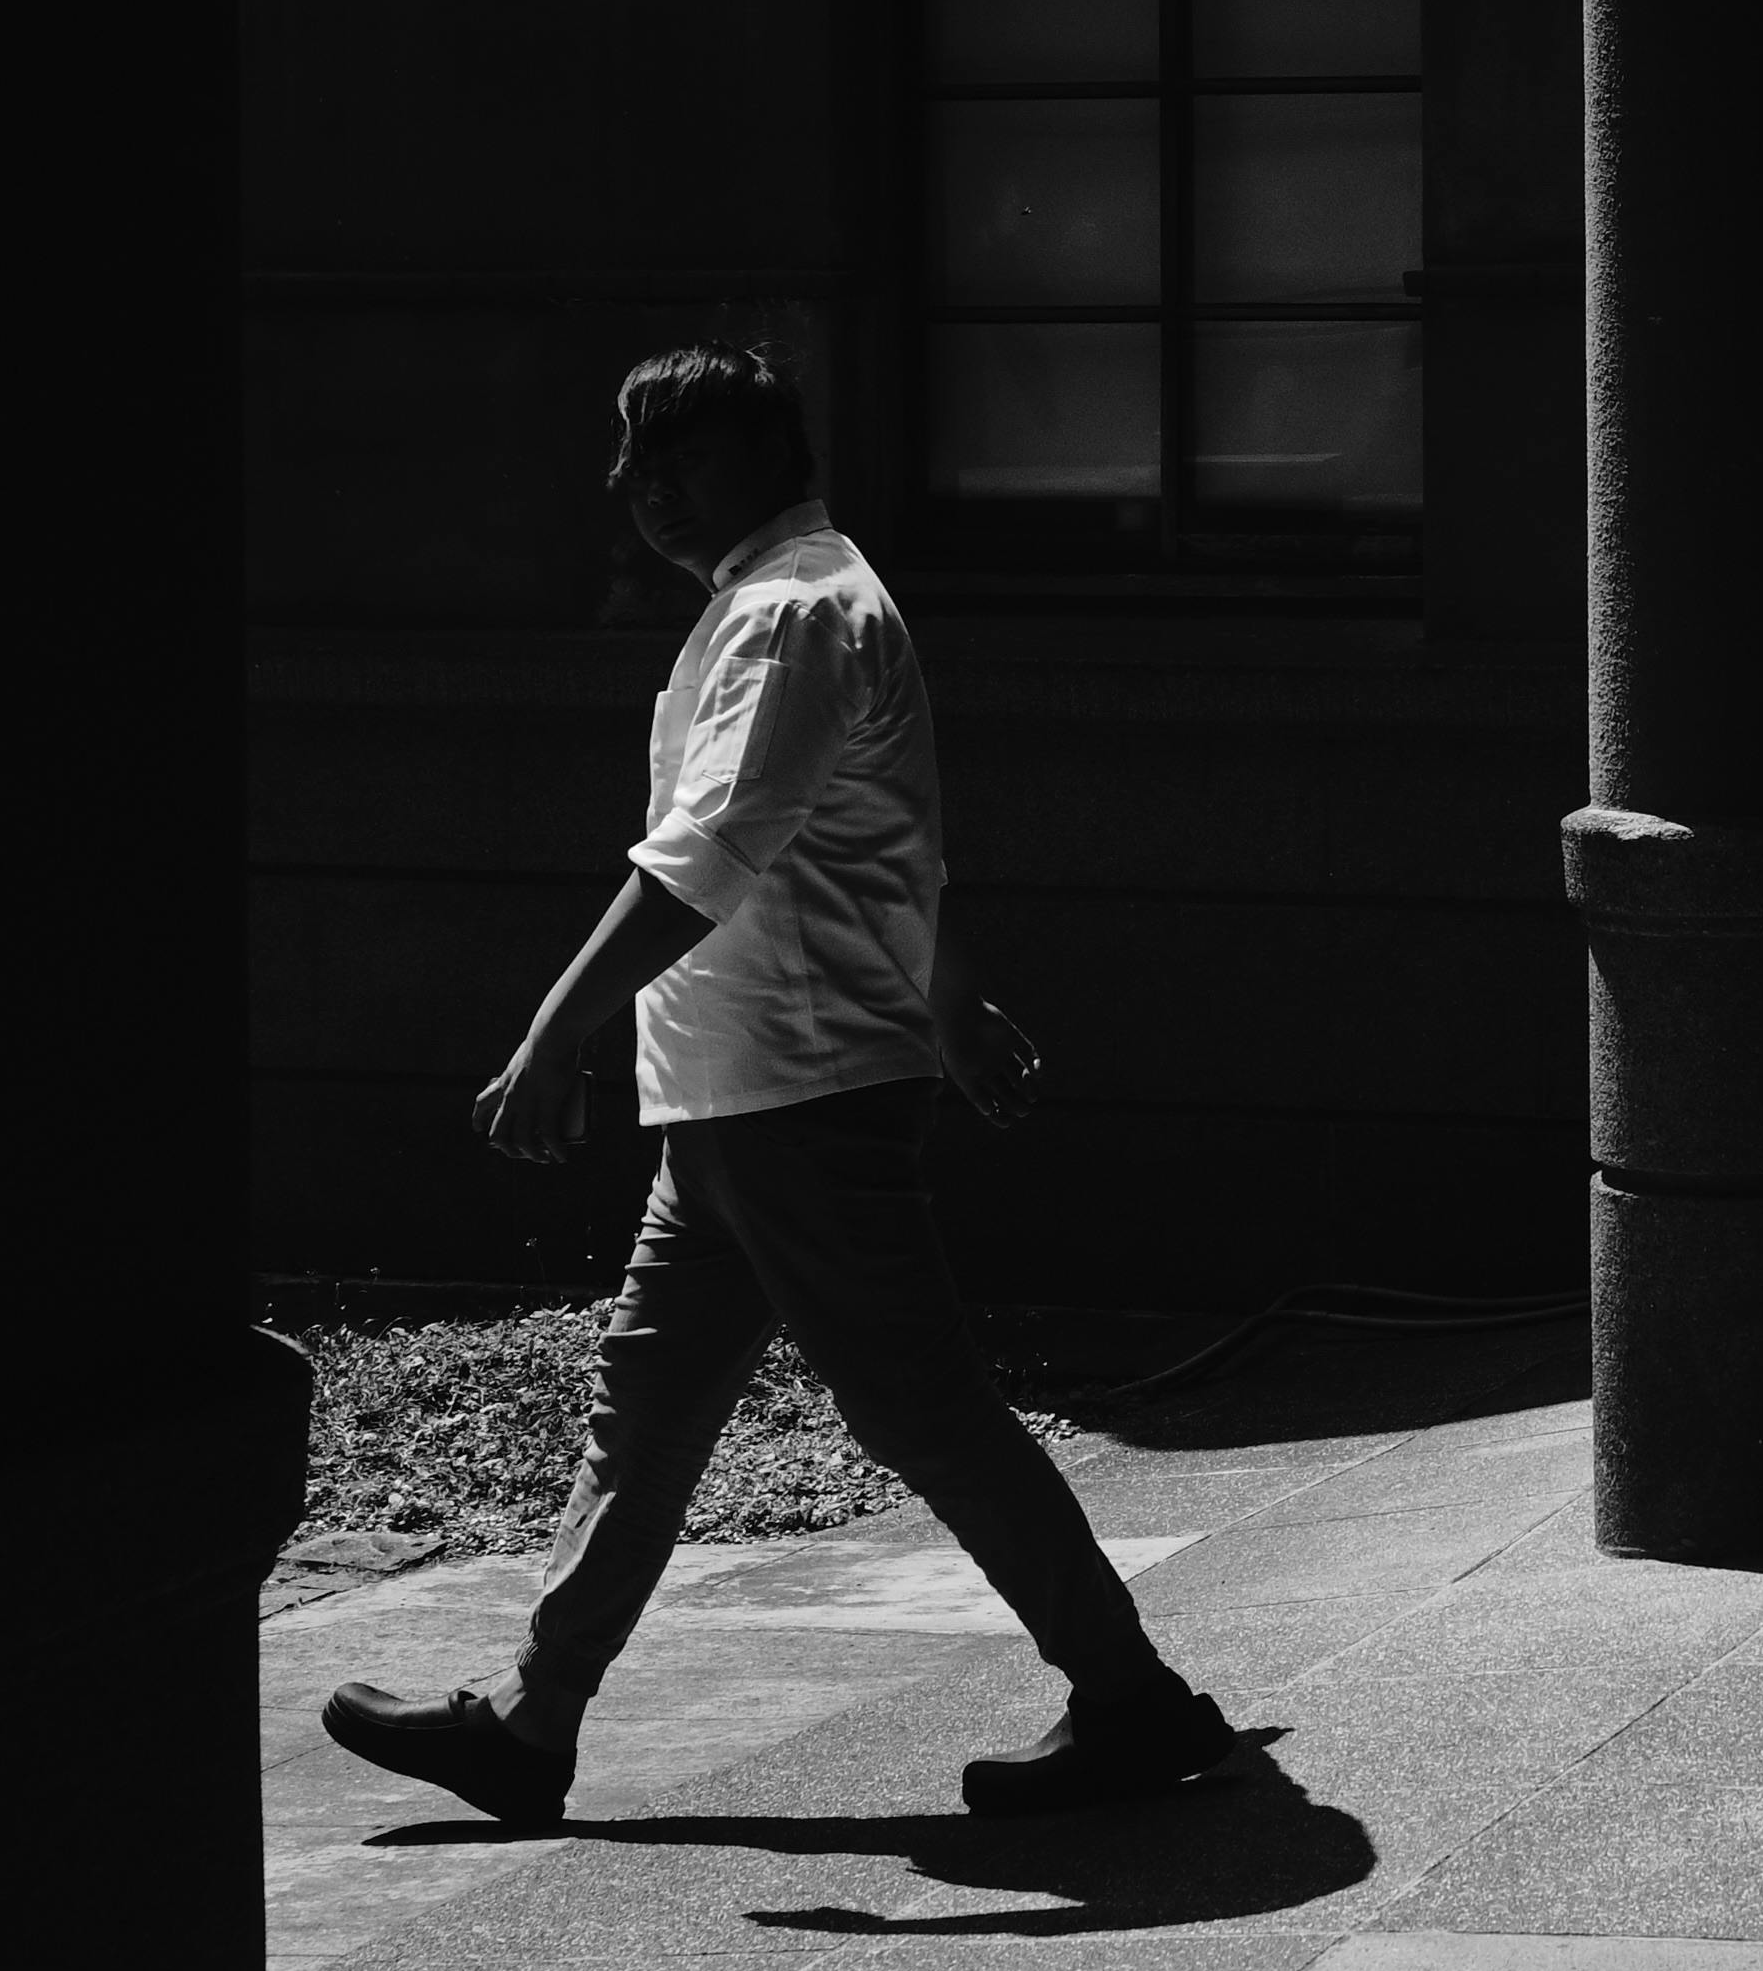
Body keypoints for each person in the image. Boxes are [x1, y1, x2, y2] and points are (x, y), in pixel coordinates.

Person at [322, 342, 1236, 1832]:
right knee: (650, 1409)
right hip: (746, 1095)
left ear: (772, 453)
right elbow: (885, 839)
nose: (644, 488)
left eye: (680, 453)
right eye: (631, 461)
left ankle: (1132, 1700)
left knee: (922, 1412)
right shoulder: (792, 599)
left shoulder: (791, 612)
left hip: (793, 1095)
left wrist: (557, 1027)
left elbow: (716, 853)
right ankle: (531, 1725)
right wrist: (942, 1000)